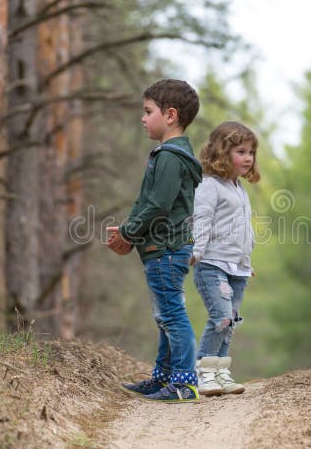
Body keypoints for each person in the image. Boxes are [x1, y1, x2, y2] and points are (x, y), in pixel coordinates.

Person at [106, 79, 203, 403]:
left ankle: (185, 383)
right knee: (166, 317)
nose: (143, 118)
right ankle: (163, 377)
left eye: (148, 111)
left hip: (165, 249)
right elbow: (150, 202)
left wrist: (128, 234)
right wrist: (128, 232)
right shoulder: (174, 156)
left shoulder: (169, 157)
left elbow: (157, 205)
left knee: (171, 315)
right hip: (165, 248)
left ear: (170, 115)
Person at [190, 121, 260, 396]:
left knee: (230, 322)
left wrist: (246, 260)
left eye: (251, 152)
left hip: (238, 267)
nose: (248, 158)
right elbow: (202, 220)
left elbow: (245, 227)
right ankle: (203, 372)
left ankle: (220, 372)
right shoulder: (210, 186)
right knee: (220, 317)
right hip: (212, 264)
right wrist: (195, 252)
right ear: (221, 152)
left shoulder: (239, 188)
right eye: (241, 151)